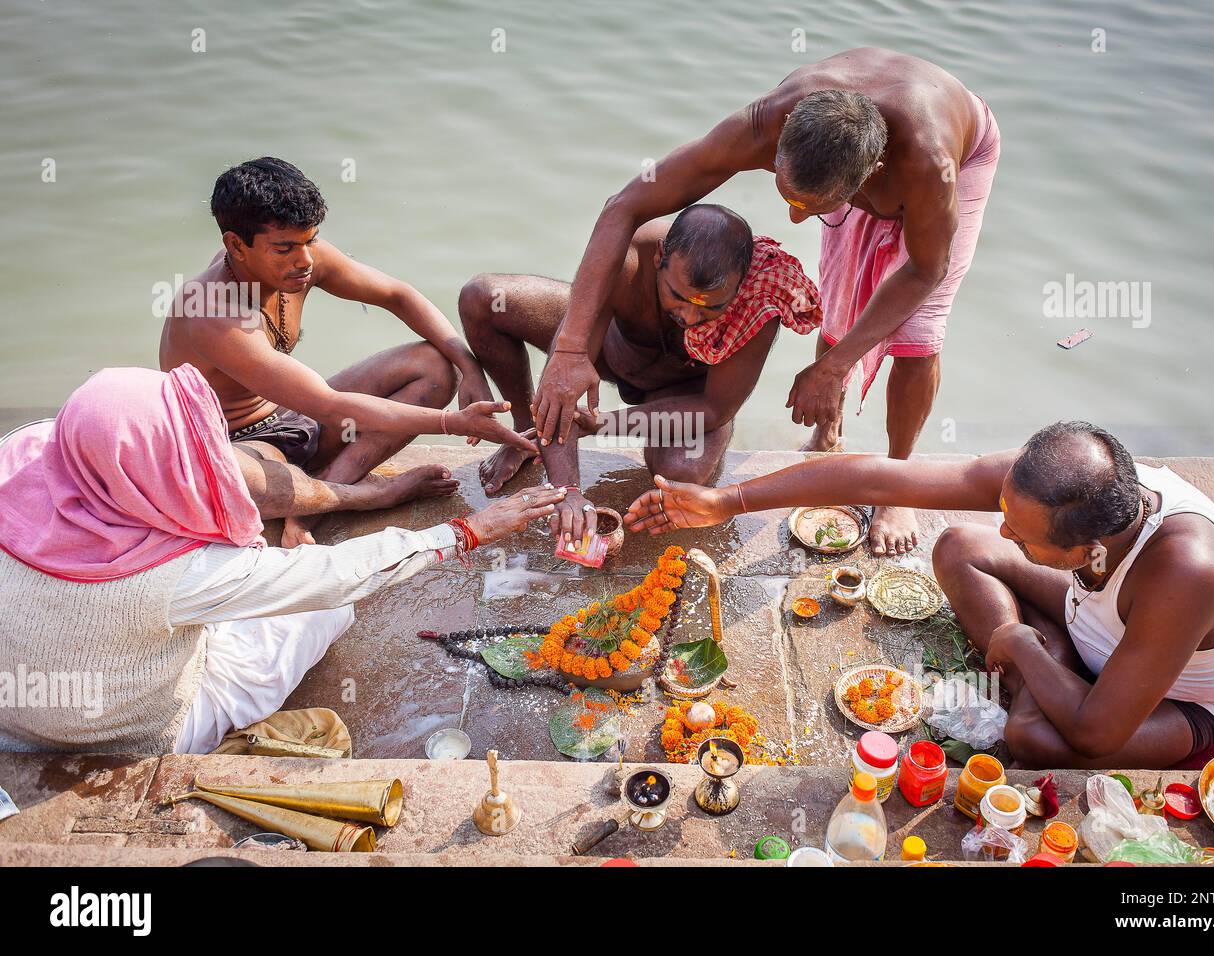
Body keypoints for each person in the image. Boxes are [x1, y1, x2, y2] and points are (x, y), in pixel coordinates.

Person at [531, 47, 1000, 557]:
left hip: (954, 149)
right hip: (842, 159)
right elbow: (624, 206)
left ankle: (899, 480)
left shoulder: (930, 168)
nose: (796, 221)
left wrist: (833, 366)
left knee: (917, 335)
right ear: (776, 150)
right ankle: (828, 431)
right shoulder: (765, 122)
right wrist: (571, 350)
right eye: (787, 198)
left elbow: (926, 269)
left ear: (874, 174)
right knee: (839, 307)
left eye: (812, 208)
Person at [624, 422, 1214, 769]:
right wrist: (729, 499)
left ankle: (1038, 658)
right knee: (958, 549)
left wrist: (1022, 643)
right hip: (1099, 626)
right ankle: (1051, 661)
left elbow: (1095, 732)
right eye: (1008, 511)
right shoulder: (1069, 488)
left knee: (1034, 738)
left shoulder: (1185, 570)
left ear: (1090, 551)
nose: (1005, 529)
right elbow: (886, 477)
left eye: (1022, 534)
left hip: (1190, 702)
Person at [0, 366, 564, 754]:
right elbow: (339, 575)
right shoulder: (172, 578)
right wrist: (468, 528)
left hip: (17, 718)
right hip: (127, 733)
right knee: (324, 608)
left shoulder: (23, 465)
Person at [160, 156, 536, 546]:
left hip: (293, 415)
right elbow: (330, 406)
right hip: (239, 444)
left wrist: (469, 368)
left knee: (436, 365)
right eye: (285, 248)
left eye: (311, 240)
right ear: (236, 245)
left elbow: (398, 295)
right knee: (237, 482)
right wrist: (455, 423)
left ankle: (315, 499)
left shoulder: (302, 257)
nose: (304, 260)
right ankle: (367, 495)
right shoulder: (209, 310)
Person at [460, 203, 820, 548]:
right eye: (677, 297)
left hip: (683, 389)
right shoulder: (628, 251)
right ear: (659, 256)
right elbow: (565, 369)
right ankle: (526, 435)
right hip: (612, 351)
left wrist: (603, 424)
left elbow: (714, 408)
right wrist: (567, 492)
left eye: (712, 307)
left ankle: (552, 433)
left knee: (681, 474)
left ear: (739, 285)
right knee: (484, 297)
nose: (691, 319)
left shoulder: (759, 301)